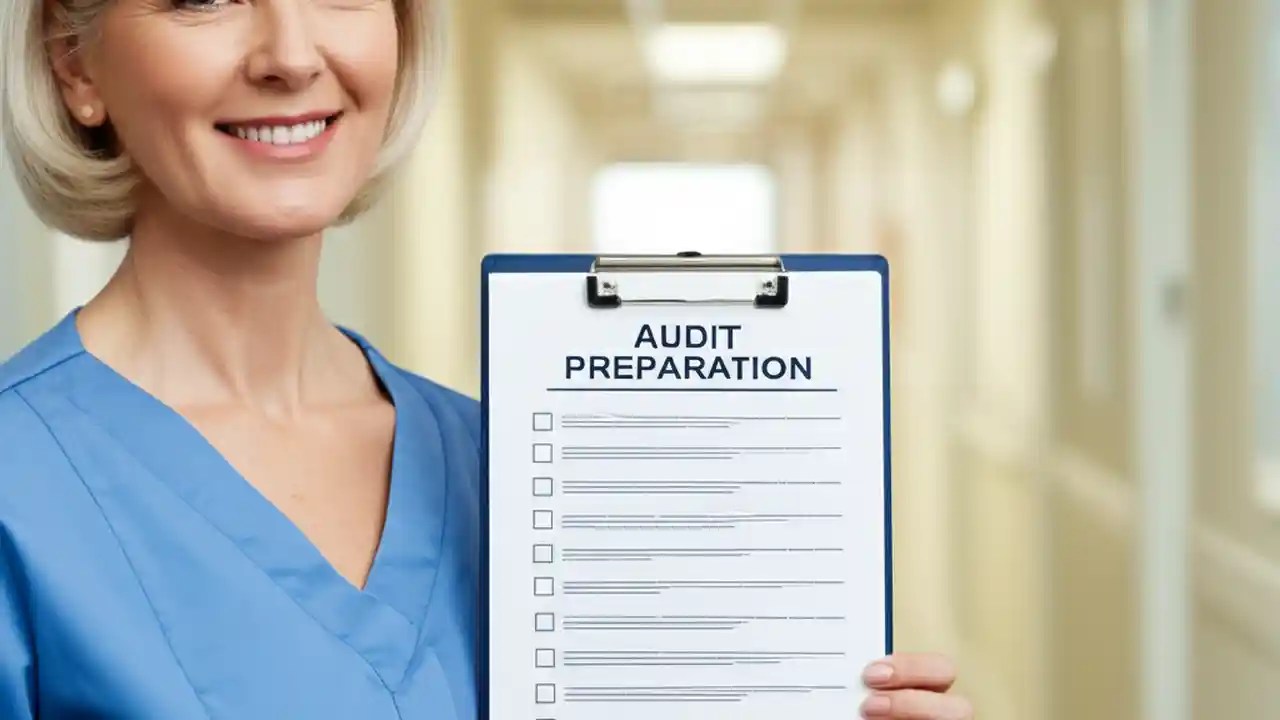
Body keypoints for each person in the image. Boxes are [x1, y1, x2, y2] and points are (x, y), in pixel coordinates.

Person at [0, 0, 974, 718]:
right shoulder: (22, 487)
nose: (290, 55)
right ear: (73, 64)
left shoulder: (513, 466)